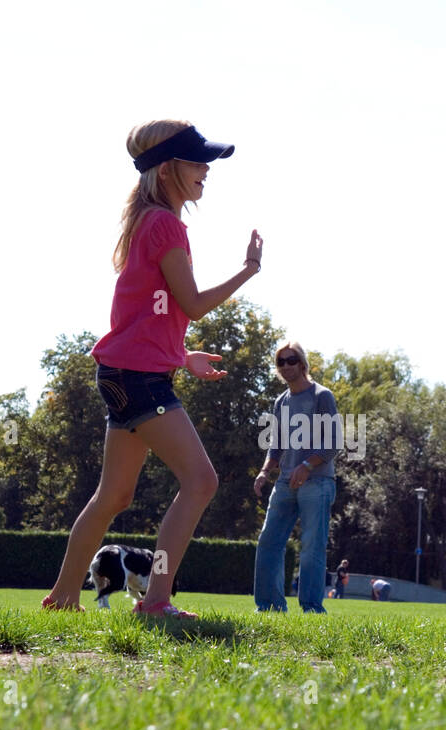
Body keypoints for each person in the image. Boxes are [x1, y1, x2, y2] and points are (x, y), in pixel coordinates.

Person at [42, 120, 263, 618]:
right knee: (201, 481)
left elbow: (146, 318)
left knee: (114, 495)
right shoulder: (164, 224)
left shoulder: (149, 221)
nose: (206, 169)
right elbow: (193, 304)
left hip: (127, 375)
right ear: (168, 171)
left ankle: (62, 598)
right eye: (197, 161)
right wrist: (248, 270)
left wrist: (182, 356)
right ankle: (157, 601)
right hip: (139, 380)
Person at [253, 342, 340, 613]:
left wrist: (306, 465)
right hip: (284, 483)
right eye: (281, 362)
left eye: (291, 360)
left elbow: (334, 442)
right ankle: (269, 607)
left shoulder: (321, 396)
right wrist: (265, 471)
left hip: (317, 482)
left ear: (302, 364)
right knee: (269, 541)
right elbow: (276, 443)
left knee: (312, 546)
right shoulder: (281, 401)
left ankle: (312, 608)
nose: (286, 366)